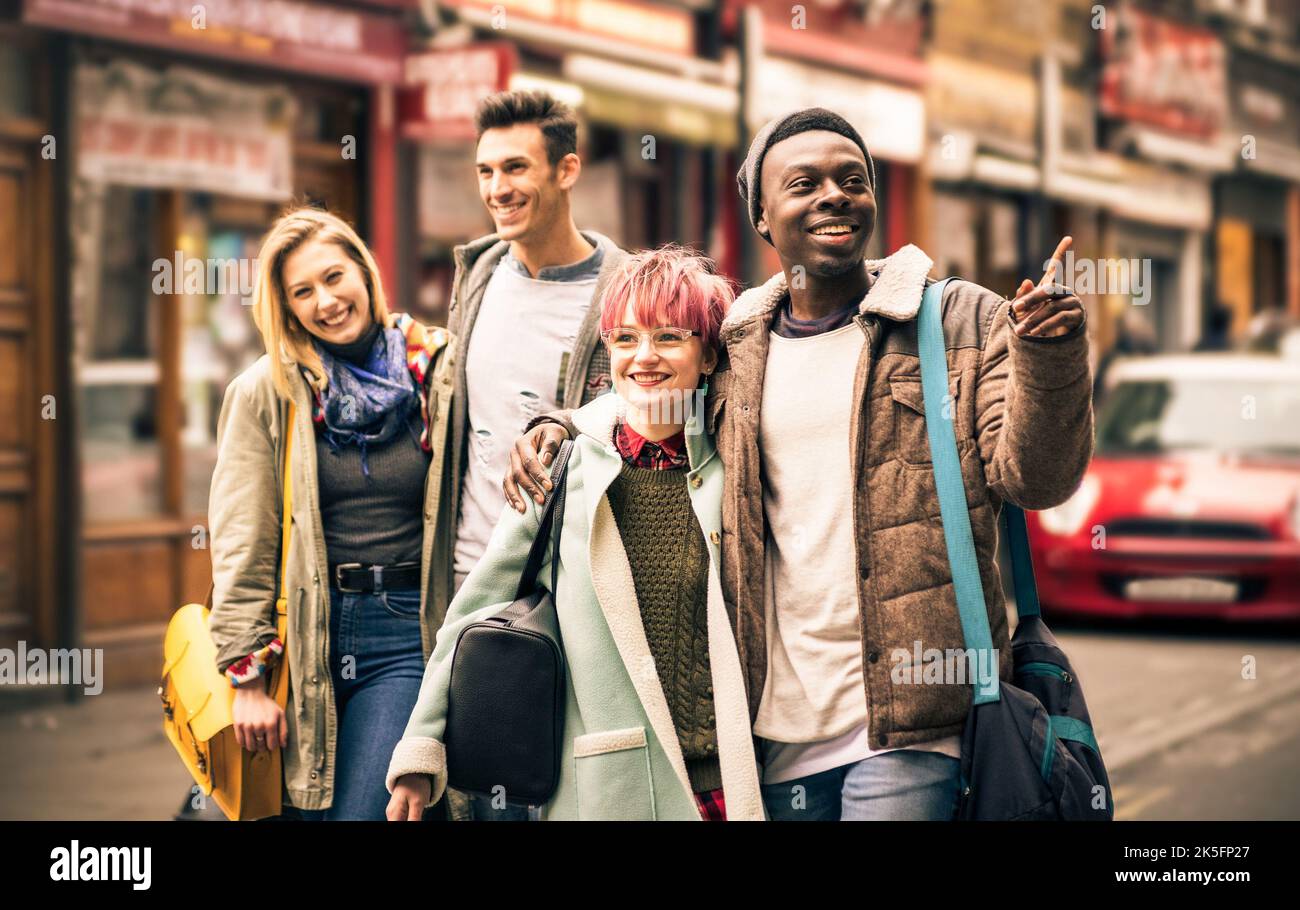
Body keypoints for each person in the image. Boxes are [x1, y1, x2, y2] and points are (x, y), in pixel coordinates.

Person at [509, 108, 1094, 821]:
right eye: (805, 183)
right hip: (771, 728)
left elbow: (1036, 480)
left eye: (853, 180)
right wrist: (557, 424)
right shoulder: (739, 341)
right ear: (763, 214)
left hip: (913, 723)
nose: (834, 195)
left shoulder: (955, 320)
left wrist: (1050, 356)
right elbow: (651, 400)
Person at [385, 247, 764, 822]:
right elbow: (473, 612)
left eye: (669, 337)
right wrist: (419, 752)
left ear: (708, 355)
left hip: (732, 782)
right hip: (613, 786)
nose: (644, 357)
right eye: (625, 338)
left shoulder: (737, 458)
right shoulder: (560, 468)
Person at [208, 207, 455, 820]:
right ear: (287, 307)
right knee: (298, 811)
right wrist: (246, 679)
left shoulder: (438, 371)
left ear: (365, 274)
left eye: (334, 276)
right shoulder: (267, 390)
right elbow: (243, 538)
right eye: (303, 291)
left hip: (403, 634)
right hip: (300, 635)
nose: (326, 300)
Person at [436, 90, 628, 819]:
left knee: (570, 795)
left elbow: (663, 414)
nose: (497, 189)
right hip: (466, 583)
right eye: (485, 171)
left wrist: (569, 423)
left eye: (515, 167)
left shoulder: (625, 288)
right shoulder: (476, 277)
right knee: (481, 798)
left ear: (567, 169)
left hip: (567, 590)